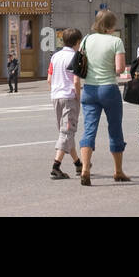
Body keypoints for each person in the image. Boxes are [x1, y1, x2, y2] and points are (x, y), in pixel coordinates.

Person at [78, 10, 128, 186]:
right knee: (115, 129)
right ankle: (118, 171)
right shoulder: (116, 41)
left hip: (89, 89)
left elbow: (80, 62)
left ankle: (85, 169)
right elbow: (120, 69)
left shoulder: (86, 39)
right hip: (108, 89)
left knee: (89, 130)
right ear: (111, 25)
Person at [48, 29, 83, 180]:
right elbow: (76, 80)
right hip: (69, 97)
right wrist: (78, 95)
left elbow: (49, 79)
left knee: (66, 132)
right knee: (67, 132)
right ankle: (56, 166)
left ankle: (78, 164)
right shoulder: (76, 57)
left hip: (56, 96)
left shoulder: (55, 56)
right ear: (77, 42)